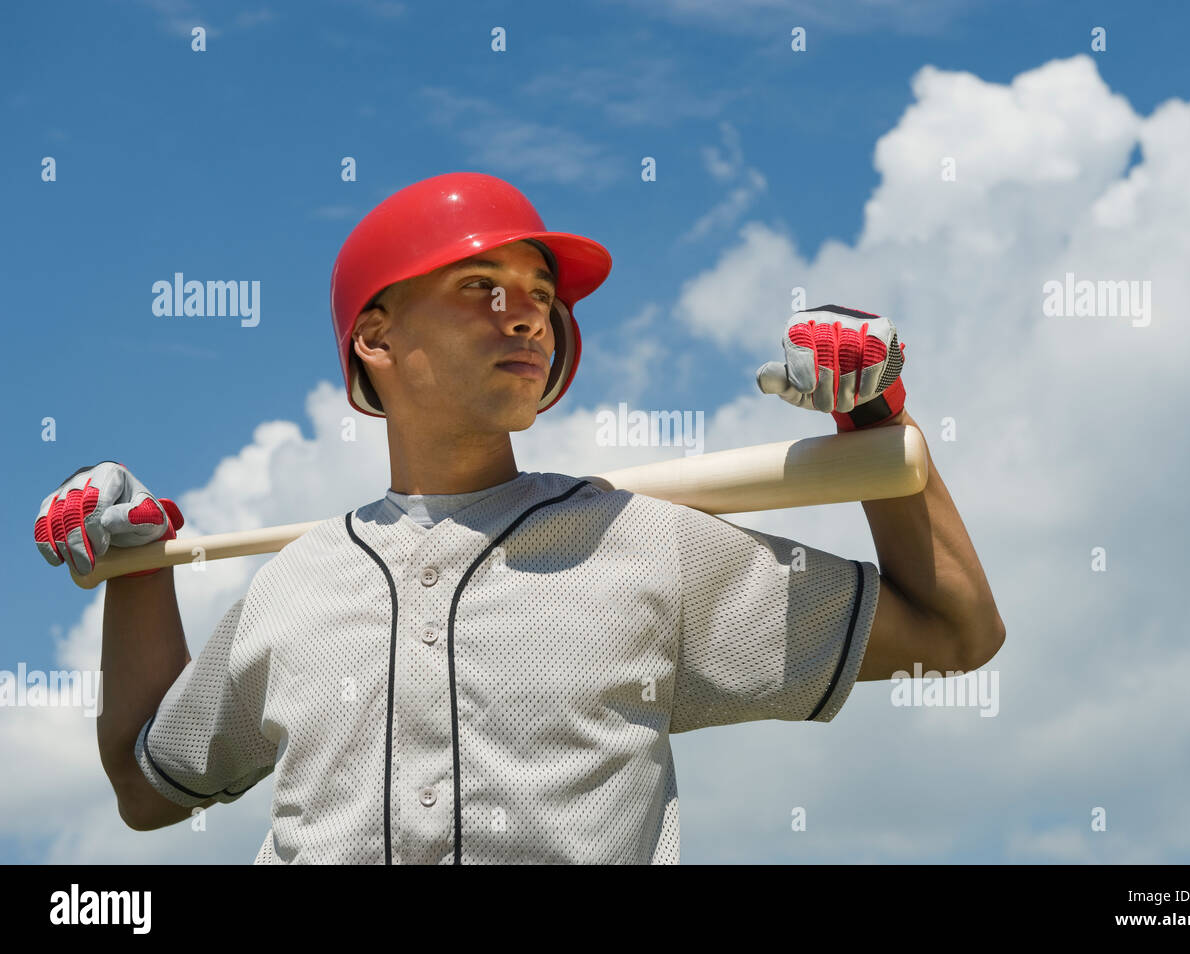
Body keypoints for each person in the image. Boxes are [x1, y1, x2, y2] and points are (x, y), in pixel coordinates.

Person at [34, 172, 1004, 864]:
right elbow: (146, 789)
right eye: (482, 287)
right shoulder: (292, 587)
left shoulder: (642, 542)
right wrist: (142, 567)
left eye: (541, 295)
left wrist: (872, 412)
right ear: (375, 334)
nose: (528, 314)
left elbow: (954, 632)